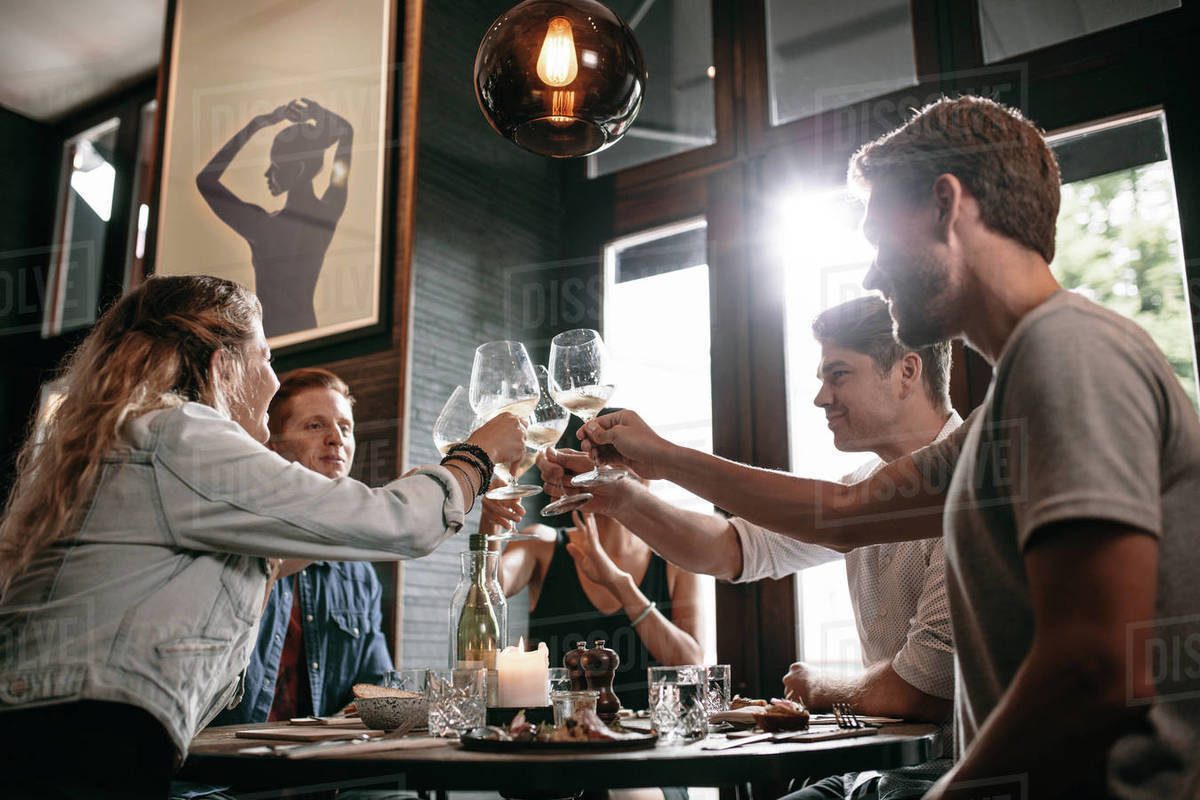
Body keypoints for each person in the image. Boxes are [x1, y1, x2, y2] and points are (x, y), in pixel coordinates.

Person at [543, 96, 1200, 799]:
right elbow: (849, 513)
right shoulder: (1004, 411)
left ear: (947, 206)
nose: (872, 275)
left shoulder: (1067, 351)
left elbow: (1096, 668)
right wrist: (650, 463)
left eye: (880, 239)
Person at [0, 275, 524, 798]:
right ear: (221, 366)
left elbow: (323, 536)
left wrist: (433, 495)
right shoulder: (180, 434)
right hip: (88, 743)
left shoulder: (133, 438)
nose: (272, 382)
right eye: (267, 358)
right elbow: (398, 524)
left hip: (51, 732)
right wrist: (473, 458)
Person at [543, 297, 959, 800]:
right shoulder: (863, 487)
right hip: (872, 774)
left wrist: (820, 688)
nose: (820, 397)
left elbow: (921, 689)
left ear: (907, 370)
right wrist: (619, 498)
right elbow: (730, 549)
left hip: (951, 775)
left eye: (839, 374)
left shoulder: (967, 485)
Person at [480, 418, 705, 709]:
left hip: (645, 744)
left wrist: (619, 584)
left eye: (631, 459)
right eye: (608, 458)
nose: (621, 470)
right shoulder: (543, 545)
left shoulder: (675, 559)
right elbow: (487, 586)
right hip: (562, 741)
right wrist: (492, 513)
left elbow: (692, 664)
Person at [212, 368, 393, 725]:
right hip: (217, 773)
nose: (336, 439)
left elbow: (379, 684)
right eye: (315, 426)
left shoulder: (358, 572)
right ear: (272, 444)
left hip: (318, 771)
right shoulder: (233, 540)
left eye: (345, 427)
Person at [196, 97, 351, 338]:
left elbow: (205, 181)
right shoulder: (329, 210)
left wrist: (257, 124)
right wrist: (319, 113)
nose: (268, 173)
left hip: (272, 338)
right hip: (308, 332)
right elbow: (346, 132)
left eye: (275, 166)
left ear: (298, 169)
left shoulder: (263, 227)